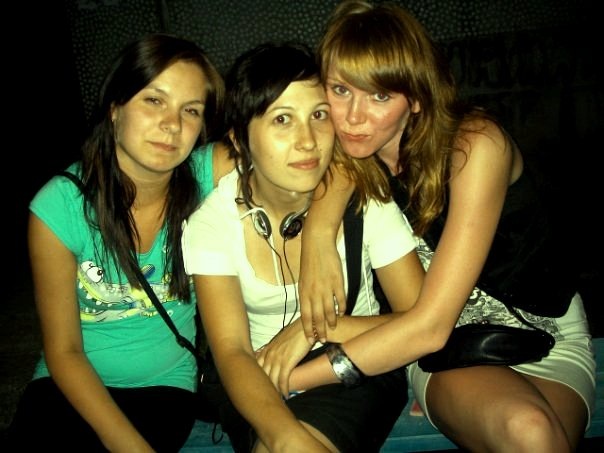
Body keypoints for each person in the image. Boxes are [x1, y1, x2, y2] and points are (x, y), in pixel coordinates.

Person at [289, 1, 596, 452]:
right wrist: (318, 234)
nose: (353, 116)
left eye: (380, 96)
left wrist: (287, 378)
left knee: (535, 436)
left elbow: (429, 325)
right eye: (340, 90)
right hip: (443, 351)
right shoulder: (346, 157)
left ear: (416, 97)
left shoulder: (475, 146)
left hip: (545, 335)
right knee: (527, 428)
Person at [181, 42, 424, 452]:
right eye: (282, 119)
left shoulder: (366, 201)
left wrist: (315, 328)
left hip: (354, 368)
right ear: (239, 140)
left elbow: (421, 318)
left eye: (319, 115)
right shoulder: (213, 222)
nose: (308, 140)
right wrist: (284, 434)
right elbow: (232, 351)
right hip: (258, 380)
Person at [6, 33, 228, 452]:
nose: (172, 124)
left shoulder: (206, 174)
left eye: (191, 110)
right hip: (69, 383)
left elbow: (318, 159)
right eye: (154, 100)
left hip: (164, 386)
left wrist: (322, 235)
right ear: (114, 108)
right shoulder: (60, 206)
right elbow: (64, 350)